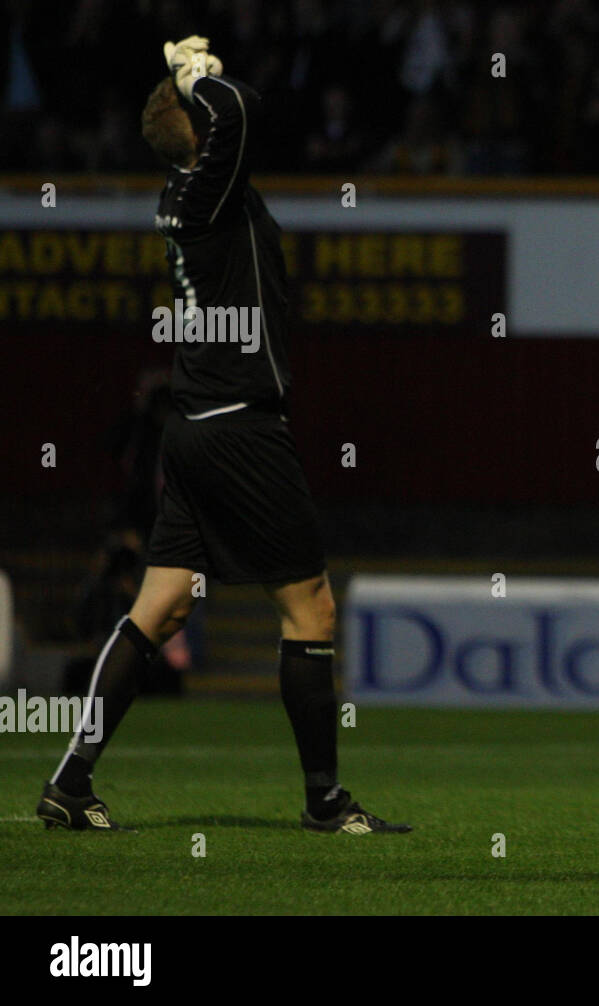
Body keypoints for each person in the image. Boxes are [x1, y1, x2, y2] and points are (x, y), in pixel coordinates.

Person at [37, 37, 408, 836]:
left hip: (195, 428)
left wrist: (190, 85)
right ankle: (324, 804)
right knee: (310, 610)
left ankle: (69, 783)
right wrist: (192, 73)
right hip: (241, 428)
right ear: (202, 140)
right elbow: (237, 108)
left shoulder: (184, 194)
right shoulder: (205, 192)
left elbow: (239, 116)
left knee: (159, 607)